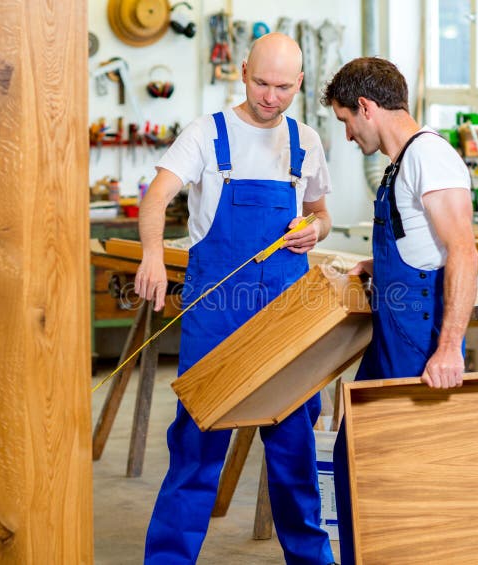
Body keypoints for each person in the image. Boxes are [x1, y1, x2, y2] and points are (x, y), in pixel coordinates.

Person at [134, 32, 336, 565]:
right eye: (261, 83)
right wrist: (152, 253)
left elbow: (321, 213)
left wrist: (316, 230)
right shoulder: (206, 133)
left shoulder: (307, 140)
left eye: (284, 87)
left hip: (285, 320)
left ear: (299, 83)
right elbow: (156, 197)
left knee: (294, 453)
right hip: (217, 316)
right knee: (197, 452)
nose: (271, 97)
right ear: (242, 72)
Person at [321, 57, 478, 564]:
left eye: (347, 121)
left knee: (402, 480)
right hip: (390, 341)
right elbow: (423, 247)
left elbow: (463, 252)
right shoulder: (401, 163)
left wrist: (450, 348)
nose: (348, 135)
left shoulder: (429, 157)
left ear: (366, 107)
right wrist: (375, 266)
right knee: (357, 463)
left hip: (419, 348)